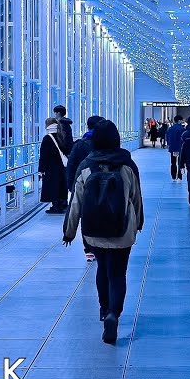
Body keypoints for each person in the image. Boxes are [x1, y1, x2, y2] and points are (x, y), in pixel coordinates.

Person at [63, 120, 143, 344]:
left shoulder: (87, 166)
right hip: (122, 230)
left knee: (102, 269)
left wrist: (69, 232)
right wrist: (138, 223)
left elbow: (76, 202)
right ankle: (113, 314)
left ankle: (103, 308)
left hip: (94, 230)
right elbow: (135, 198)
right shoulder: (127, 165)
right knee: (118, 273)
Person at [65, 116, 105, 262]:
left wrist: (71, 186)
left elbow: (71, 166)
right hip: (103, 186)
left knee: (85, 215)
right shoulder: (106, 145)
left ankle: (88, 248)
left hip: (83, 185)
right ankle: (100, 244)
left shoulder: (80, 145)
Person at [38, 117, 72, 214]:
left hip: (51, 167)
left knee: (53, 186)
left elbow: (44, 155)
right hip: (63, 166)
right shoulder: (62, 135)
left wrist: (41, 169)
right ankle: (63, 203)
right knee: (62, 184)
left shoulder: (48, 138)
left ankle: (56, 206)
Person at [166, 115, 187, 182]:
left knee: (173, 162)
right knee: (180, 162)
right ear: (179, 121)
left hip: (173, 148)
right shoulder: (182, 129)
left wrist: (169, 144)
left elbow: (167, 138)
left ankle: (173, 176)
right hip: (180, 148)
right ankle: (179, 177)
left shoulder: (170, 129)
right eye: (181, 120)